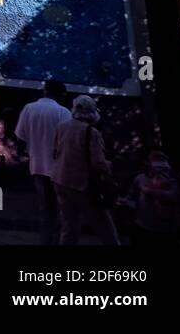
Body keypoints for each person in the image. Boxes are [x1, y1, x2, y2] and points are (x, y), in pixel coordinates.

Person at [52, 94, 120, 245]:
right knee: (105, 225)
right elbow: (98, 162)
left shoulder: (61, 126)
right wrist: (109, 169)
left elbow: (56, 151)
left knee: (69, 224)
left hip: (60, 180)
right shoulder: (91, 132)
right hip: (81, 184)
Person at [15, 79, 71, 244]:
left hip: (37, 166)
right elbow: (67, 142)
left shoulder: (28, 109)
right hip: (59, 168)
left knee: (45, 208)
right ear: (59, 94)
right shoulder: (63, 112)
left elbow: (21, 136)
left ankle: (45, 240)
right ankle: (58, 240)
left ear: (45, 92)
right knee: (62, 208)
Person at [123, 151, 180, 244]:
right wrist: (127, 203)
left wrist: (149, 191)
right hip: (142, 226)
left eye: (161, 161)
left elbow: (174, 196)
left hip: (166, 229)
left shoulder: (173, 180)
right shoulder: (140, 178)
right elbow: (131, 197)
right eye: (155, 161)